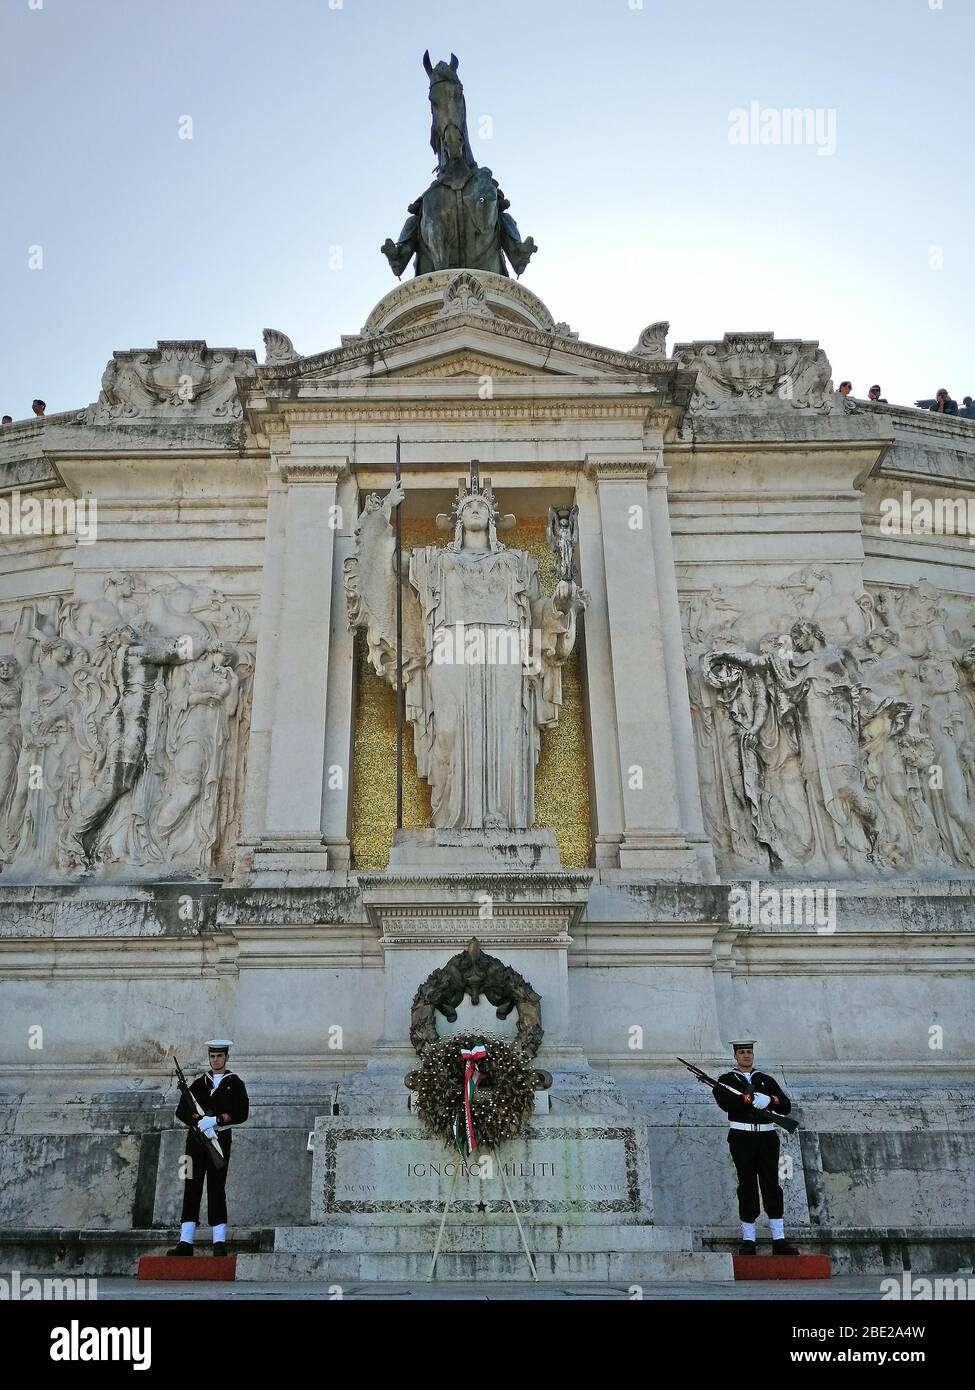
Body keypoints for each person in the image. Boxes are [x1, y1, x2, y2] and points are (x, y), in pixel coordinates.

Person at [713, 1039, 799, 1256]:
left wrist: (769, 1099)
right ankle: (749, 1239)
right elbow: (726, 1104)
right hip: (741, 1136)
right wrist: (749, 1099)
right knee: (747, 1185)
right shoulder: (726, 1080)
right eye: (742, 1052)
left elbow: (786, 1106)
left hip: (766, 1137)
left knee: (772, 1184)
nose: (746, 1056)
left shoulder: (766, 1080)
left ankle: (778, 1238)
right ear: (735, 1056)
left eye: (749, 1052)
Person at [167, 1039, 249, 1257]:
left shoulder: (235, 1083)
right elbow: (181, 1111)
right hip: (194, 1144)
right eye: (212, 1056)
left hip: (219, 1142)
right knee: (191, 1188)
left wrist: (216, 1121)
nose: (216, 1060)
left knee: (216, 1188)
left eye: (219, 1056)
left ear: (226, 1057)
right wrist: (198, 1121)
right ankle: (186, 1241)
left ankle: (219, 1241)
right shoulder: (198, 1084)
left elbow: (242, 1112)